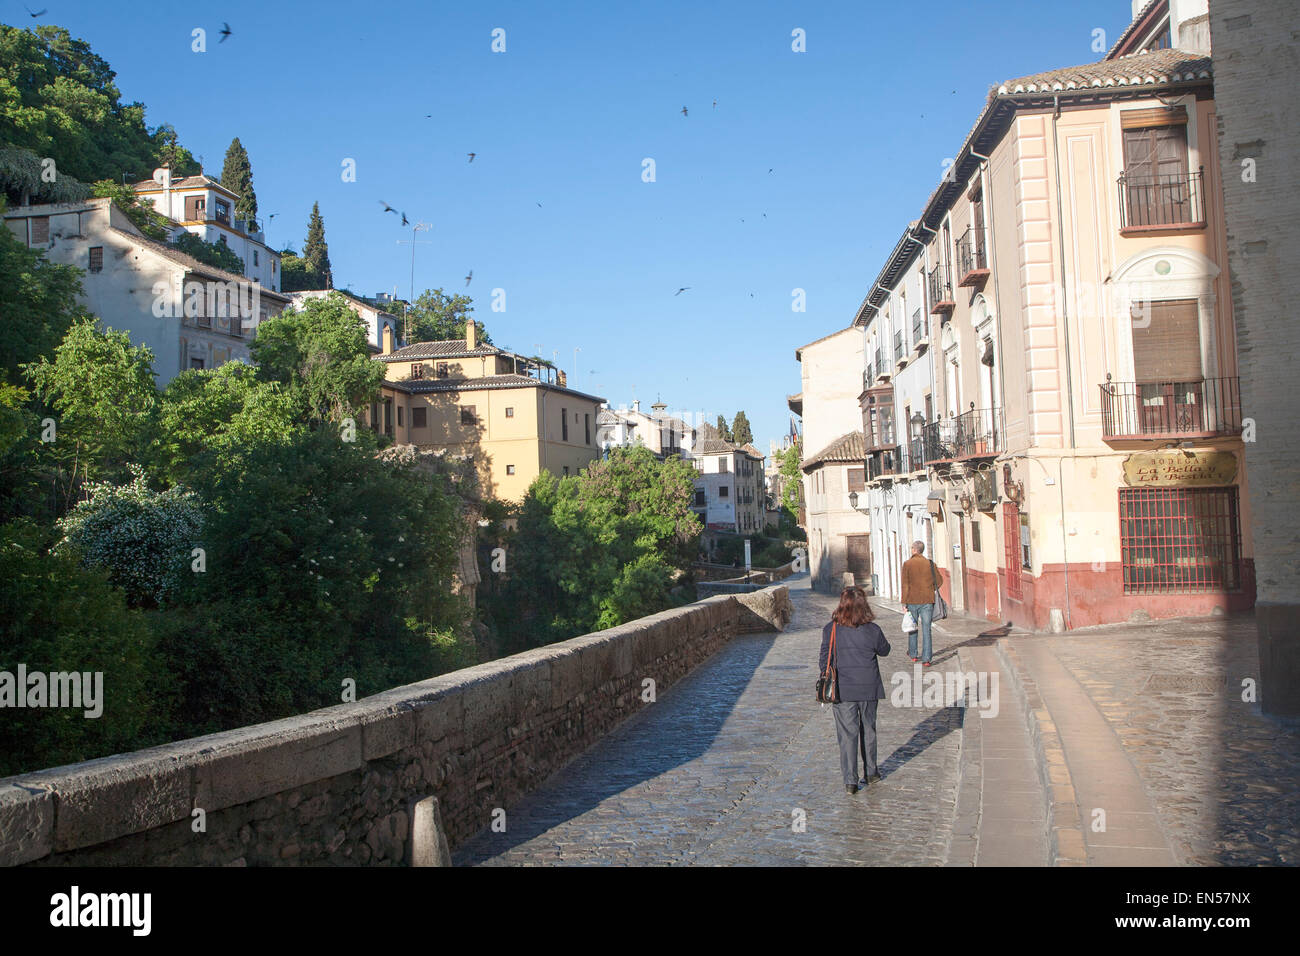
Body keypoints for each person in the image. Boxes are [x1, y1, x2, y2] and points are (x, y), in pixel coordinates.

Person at [819, 586, 891, 795]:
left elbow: (824, 660)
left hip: (843, 690)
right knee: (869, 730)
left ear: (842, 605)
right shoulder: (873, 629)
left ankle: (850, 781)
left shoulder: (830, 629)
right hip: (869, 688)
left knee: (847, 735)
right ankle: (871, 772)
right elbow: (885, 651)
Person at [901, 540, 941, 667]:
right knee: (926, 629)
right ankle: (927, 659)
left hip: (912, 600)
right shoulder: (930, 564)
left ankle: (913, 654)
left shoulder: (907, 564)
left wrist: (904, 602)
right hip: (927, 600)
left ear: (914, 550)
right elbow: (939, 581)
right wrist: (930, 589)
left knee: (912, 627)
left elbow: (905, 585)